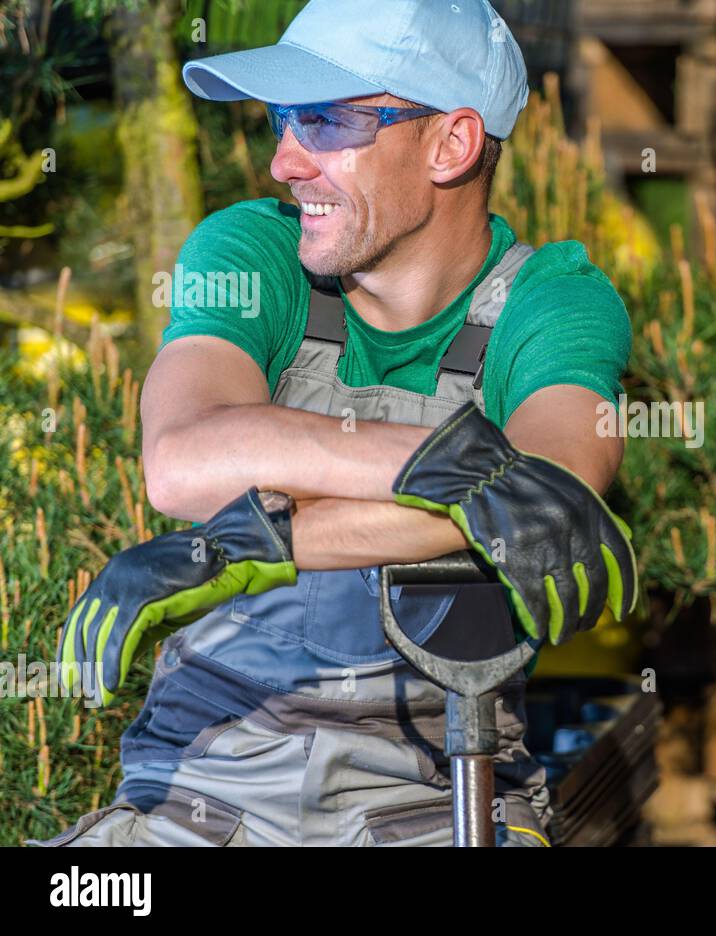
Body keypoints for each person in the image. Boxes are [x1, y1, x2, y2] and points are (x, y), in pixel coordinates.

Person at [30, 0, 636, 848]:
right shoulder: (253, 252)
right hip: (196, 798)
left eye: (326, 122)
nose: (284, 161)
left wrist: (252, 546)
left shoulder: (552, 301)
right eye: (284, 120)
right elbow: (181, 461)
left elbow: (551, 493)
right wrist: (455, 472)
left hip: (438, 800)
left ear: (451, 145)